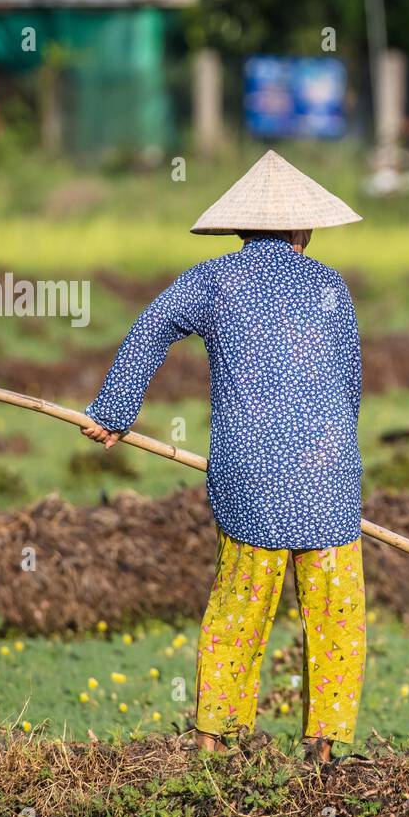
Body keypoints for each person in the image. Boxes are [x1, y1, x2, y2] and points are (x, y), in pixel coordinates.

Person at [80, 151, 366, 764]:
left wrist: (114, 411)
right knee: (336, 613)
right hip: (329, 471)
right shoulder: (330, 286)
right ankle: (325, 744)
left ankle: (214, 738)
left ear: (238, 229)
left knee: (239, 604)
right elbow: (348, 383)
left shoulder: (213, 280)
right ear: (304, 231)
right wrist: (335, 459)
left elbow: (150, 328)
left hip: (249, 474)